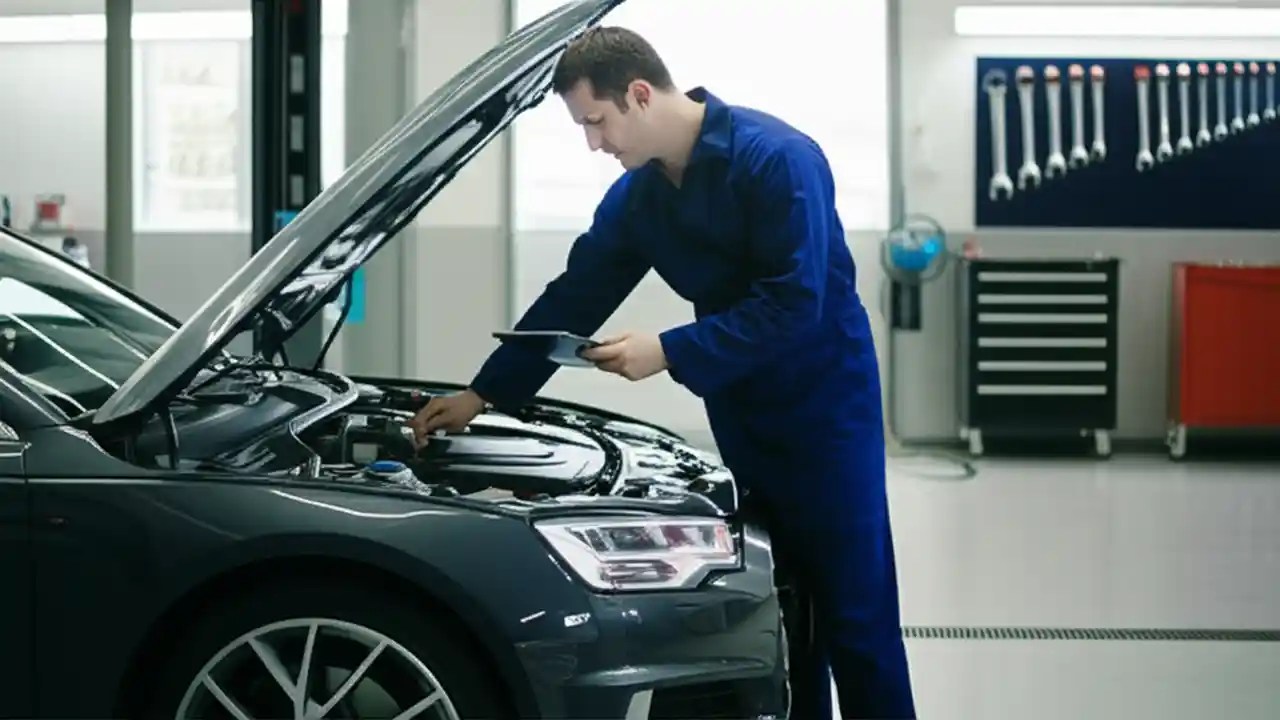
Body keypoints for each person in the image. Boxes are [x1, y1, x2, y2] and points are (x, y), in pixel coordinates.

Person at [407, 26, 916, 720]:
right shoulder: (640, 196)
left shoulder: (779, 160)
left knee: (856, 613)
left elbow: (796, 304)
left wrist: (669, 350)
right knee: (785, 607)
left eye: (597, 121)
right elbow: (577, 292)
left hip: (826, 407)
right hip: (741, 408)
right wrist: (483, 391)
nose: (594, 142)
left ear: (639, 95)